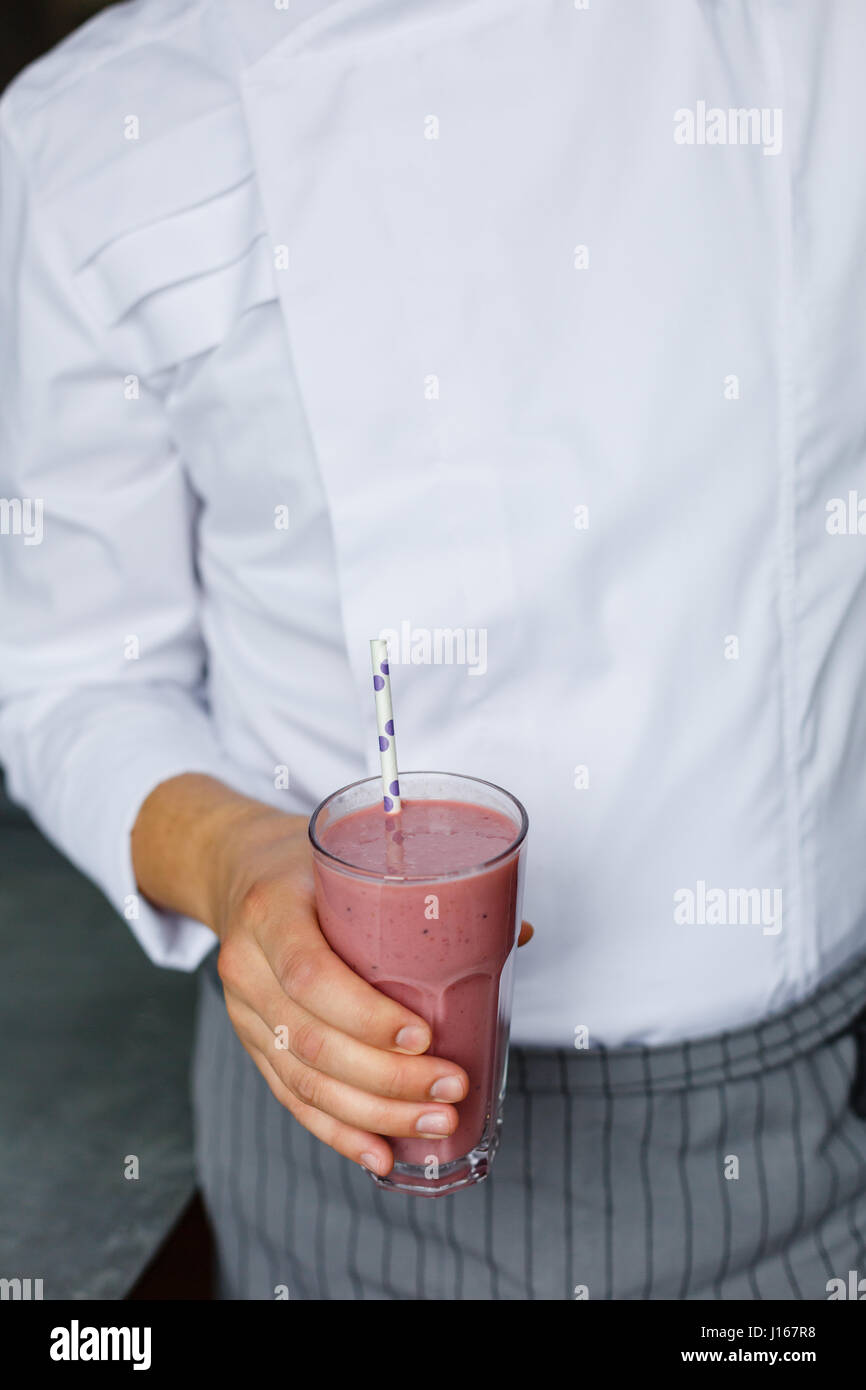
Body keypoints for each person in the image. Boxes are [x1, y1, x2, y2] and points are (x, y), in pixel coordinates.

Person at [2, 0, 865, 1302]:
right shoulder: (105, 123)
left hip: (809, 1142)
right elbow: (70, 675)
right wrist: (239, 862)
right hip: (344, 1160)